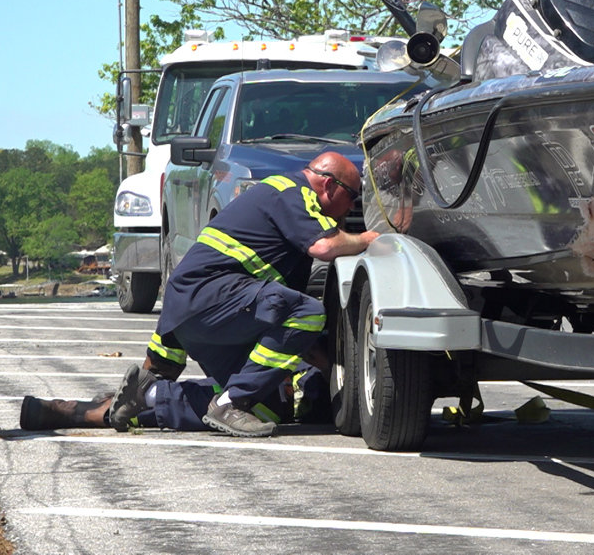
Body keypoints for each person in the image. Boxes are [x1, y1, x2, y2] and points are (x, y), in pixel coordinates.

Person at [20, 152, 376, 436]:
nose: (351, 210)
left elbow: (286, 332)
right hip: (214, 303)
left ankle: (91, 407)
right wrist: (367, 240)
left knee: (263, 407)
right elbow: (325, 246)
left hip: (195, 309)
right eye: (353, 198)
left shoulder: (271, 220)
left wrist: (154, 372)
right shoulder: (293, 193)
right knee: (309, 312)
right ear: (329, 186)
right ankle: (227, 403)